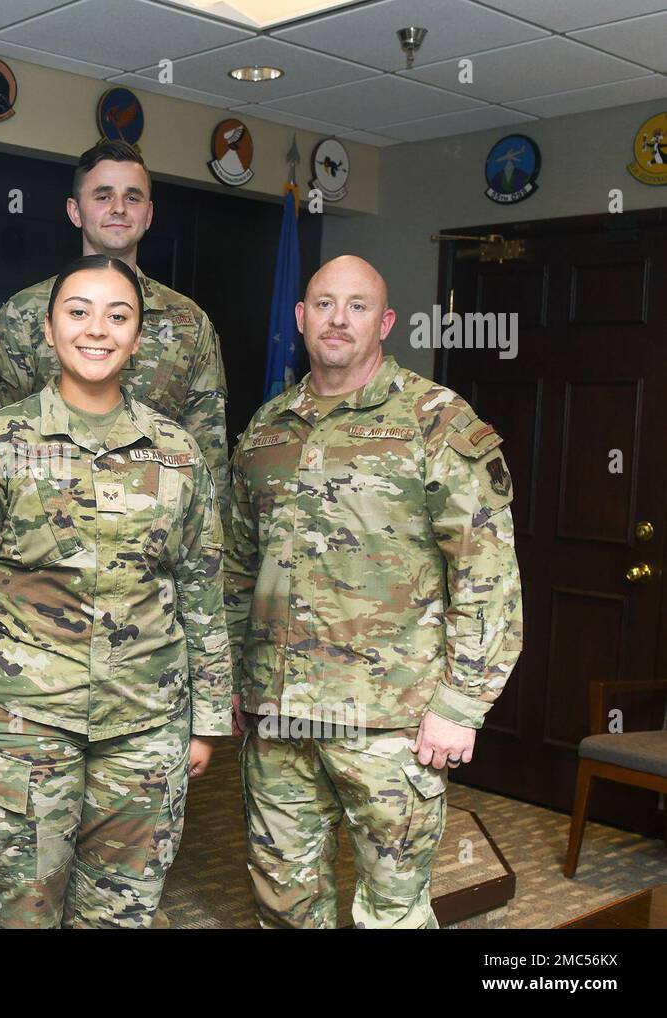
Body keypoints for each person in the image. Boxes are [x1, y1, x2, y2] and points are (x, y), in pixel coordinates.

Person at [0, 255, 233, 928]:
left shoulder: (176, 454)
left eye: (117, 316)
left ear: (138, 336)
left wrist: (207, 719)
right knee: (19, 915)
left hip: (145, 730)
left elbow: (202, 592)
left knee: (120, 918)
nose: (97, 329)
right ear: (48, 329)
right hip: (22, 730)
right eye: (78, 312)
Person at [225, 255, 523, 929]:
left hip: (391, 720)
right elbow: (237, 570)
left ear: (385, 322)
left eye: (358, 306)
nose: (338, 319)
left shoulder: (437, 422)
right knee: (284, 900)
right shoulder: (268, 428)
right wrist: (232, 682)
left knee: (392, 912)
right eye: (324, 304)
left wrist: (461, 703)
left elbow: (486, 572)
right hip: (279, 716)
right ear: (300, 319)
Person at [0, 140, 231, 535]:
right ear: (75, 211)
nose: (118, 208)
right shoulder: (24, 313)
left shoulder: (189, 323)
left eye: (132, 197)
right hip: (48, 535)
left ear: (149, 214)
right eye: (103, 196)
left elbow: (209, 455)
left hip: (152, 540)